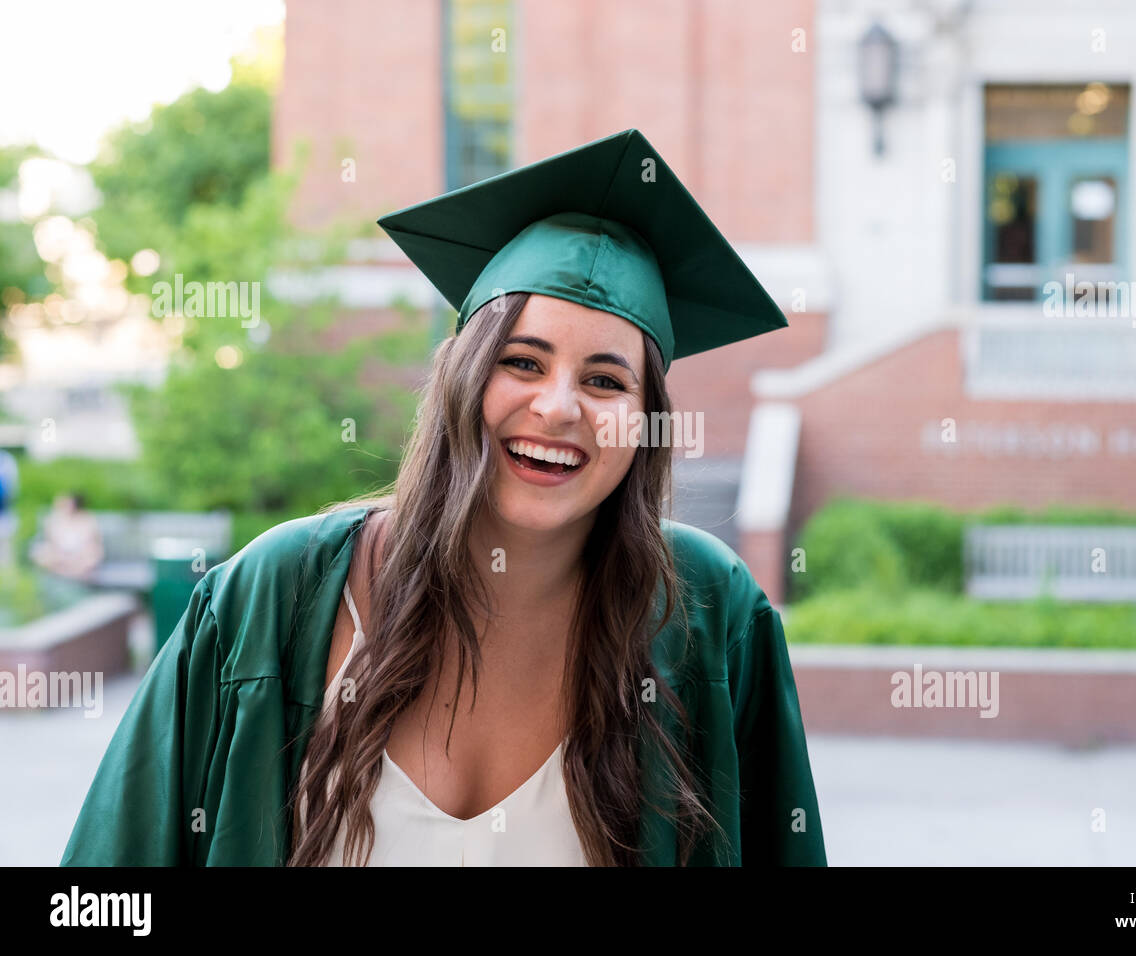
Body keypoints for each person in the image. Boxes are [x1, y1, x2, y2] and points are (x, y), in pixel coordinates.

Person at [60, 128, 827, 867]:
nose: (560, 408)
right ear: (461, 375)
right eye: (522, 362)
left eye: (605, 380)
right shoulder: (272, 598)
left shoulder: (704, 611)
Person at [30, 492, 104, 580]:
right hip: (60, 554)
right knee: (41, 554)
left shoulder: (87, 519)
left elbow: (91, 541)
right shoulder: (55, 519)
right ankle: (70, 572)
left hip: (81, 554)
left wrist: (76, 554)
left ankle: (70, 572)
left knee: (92, 555)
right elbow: (52, 540)